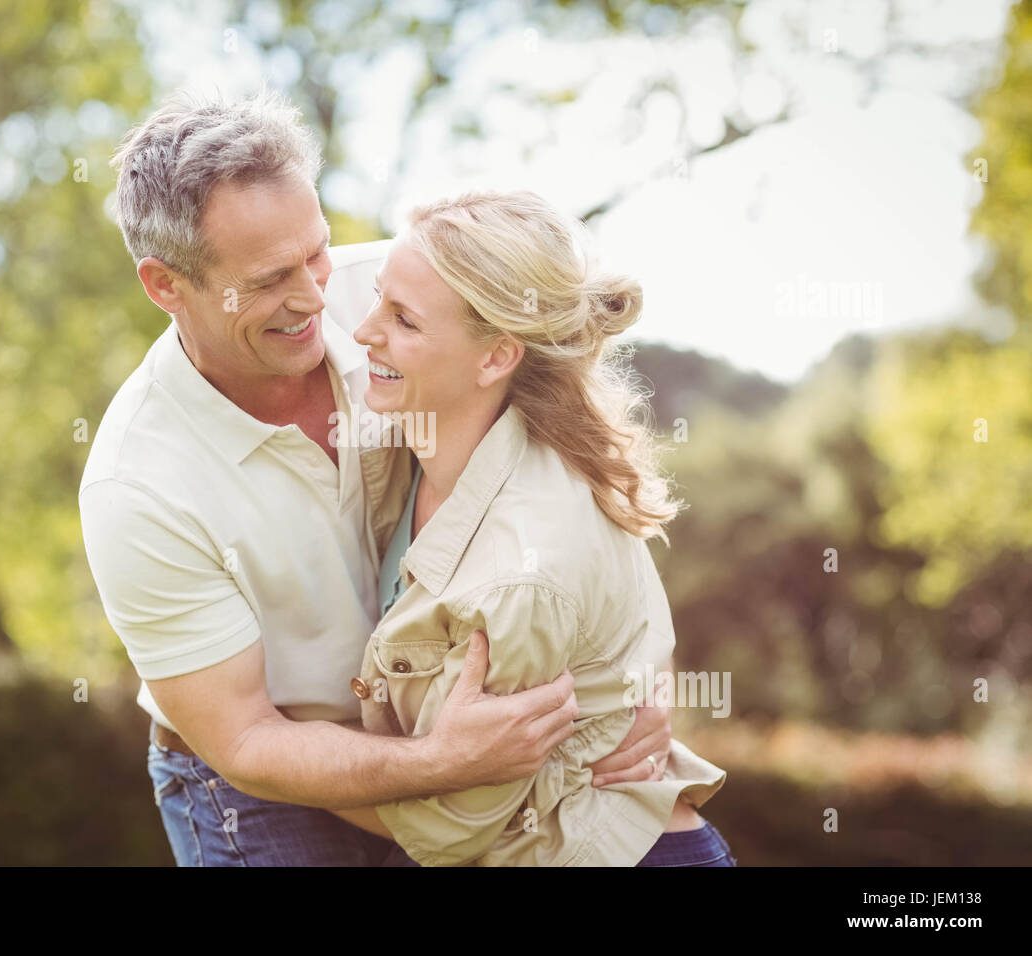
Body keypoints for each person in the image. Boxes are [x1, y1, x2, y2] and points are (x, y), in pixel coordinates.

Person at [78, 90, 677, 867]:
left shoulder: (401, 294)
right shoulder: (138, 486)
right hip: (264, 779)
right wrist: (440, 764)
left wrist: (642, 680)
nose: (316, 297)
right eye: (267, 280)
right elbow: (245, 737)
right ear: (166, 285)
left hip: (443, 735)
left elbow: (575, 452)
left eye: (317, 251)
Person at [326, 190, 736, 866]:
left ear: (496, 358)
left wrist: (249, 756)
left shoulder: (521, 571)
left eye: (403, 319)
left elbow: (452, 826)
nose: (365, 330)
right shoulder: (439, 443)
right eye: (377, 299)